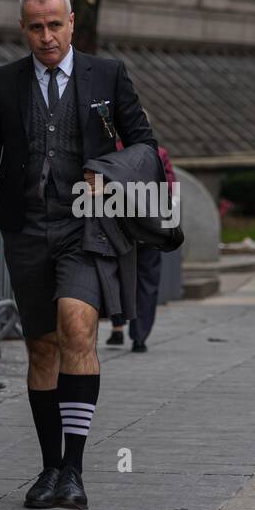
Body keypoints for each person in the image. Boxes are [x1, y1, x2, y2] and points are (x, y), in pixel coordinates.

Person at [0, 0, 156, 510]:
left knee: (76, 325)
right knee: (42, 345)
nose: (46, 36)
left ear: (72, 23)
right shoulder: (4, 83)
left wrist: (105, 171)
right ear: (23, 29)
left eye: (55, 25)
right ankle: (49, 467)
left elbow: (145, 145)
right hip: (26, 229)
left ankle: (75, 469)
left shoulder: (107, 76)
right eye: (35, 27)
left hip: (87, 228)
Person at [107, 111, 175, 352]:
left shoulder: (112, 152)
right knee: (146, 279)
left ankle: (117, 325)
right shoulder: (158, 154)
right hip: (149, 226)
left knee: (114, 274)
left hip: (117, 226)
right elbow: (169, 189)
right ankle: (140, 336)